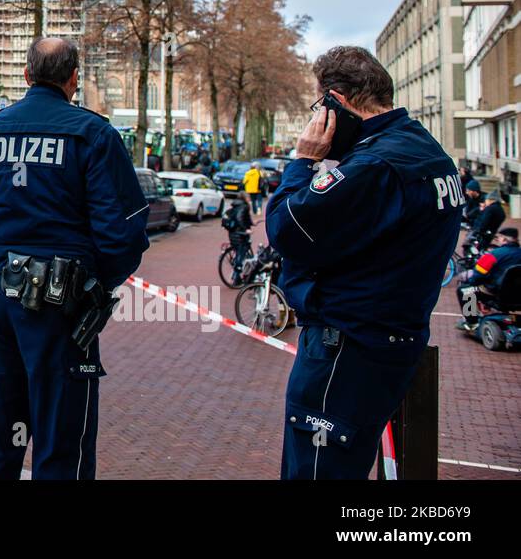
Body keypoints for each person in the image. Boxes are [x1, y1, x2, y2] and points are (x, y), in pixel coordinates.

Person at [0, 37, 150, 480]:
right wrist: (94, 282)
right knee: (61, 449)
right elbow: (123, 235)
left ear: (27, 76)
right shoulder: (93, 134)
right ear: (74, 79)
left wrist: (0, 261)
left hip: (0, 301)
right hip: (64, 304)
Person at [265, 46, 460, 480]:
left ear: (337, 101)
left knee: (316, 470)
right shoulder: (425, 151)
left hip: (346, 349)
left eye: (320, 106)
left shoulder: (373, 165)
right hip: (390, 339)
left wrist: (303, 160)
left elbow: (286, 228)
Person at [456, 227, 521, 331]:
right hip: (518, 295)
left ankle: (471, 322)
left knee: (464, 290)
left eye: (498, 238)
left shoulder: (493, 255)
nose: (497, 241)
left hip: (496, 293)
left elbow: (477, 276)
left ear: (504, 240)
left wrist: (469, 281)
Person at [222, 191, 254, 277]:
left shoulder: (236, 205)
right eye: (248, 197)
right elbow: (239, 218)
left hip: (232, 233)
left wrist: (252, 223)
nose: (249, 199)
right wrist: (246, 229)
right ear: (244, 198)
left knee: (238, 250)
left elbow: (245, 217)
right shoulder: (244, 206)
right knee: (241, 253)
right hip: (240, 233)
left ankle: (237, 270)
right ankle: (236, 277)